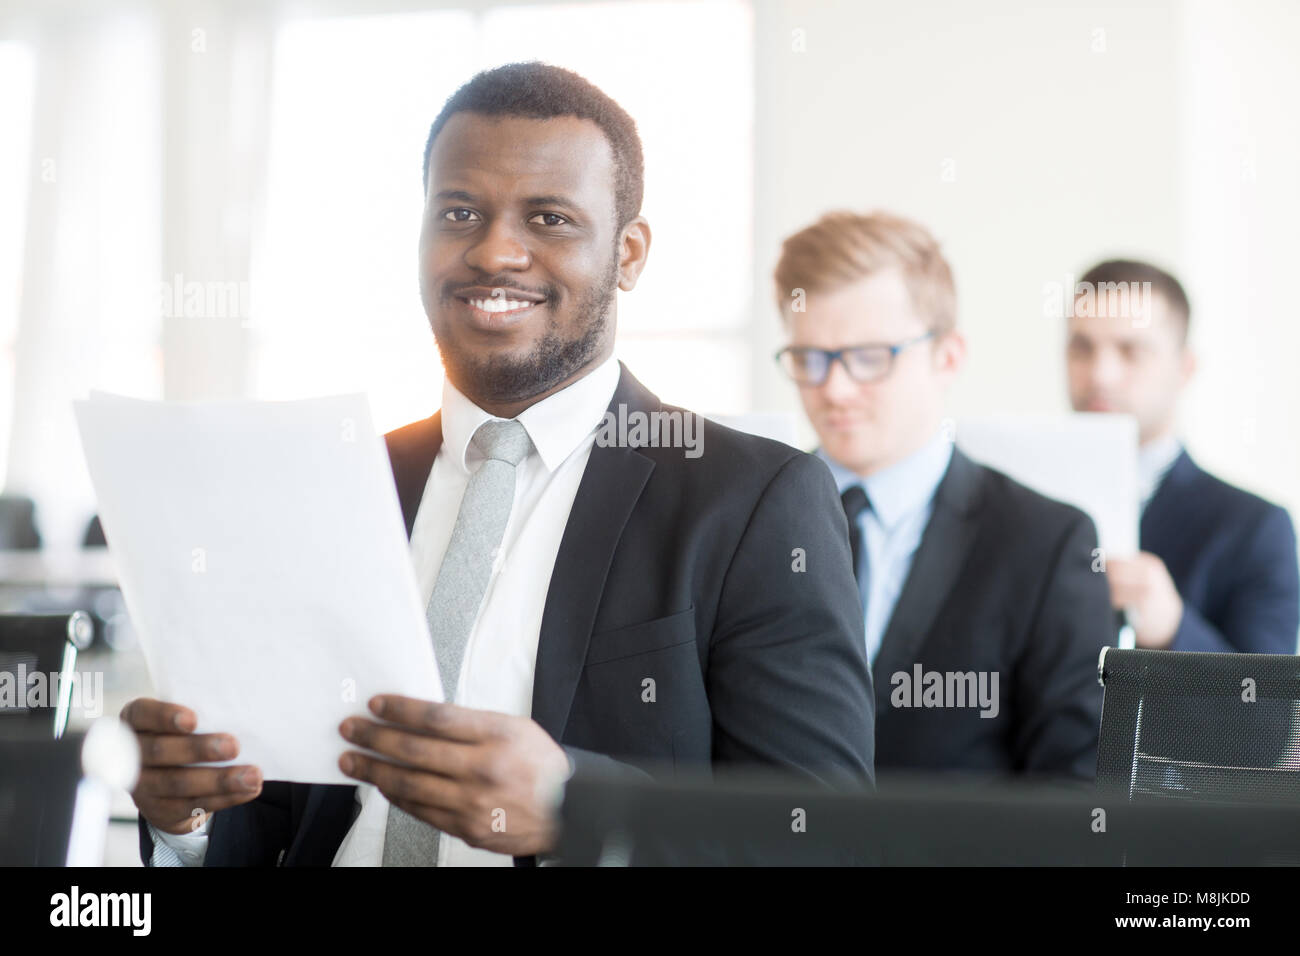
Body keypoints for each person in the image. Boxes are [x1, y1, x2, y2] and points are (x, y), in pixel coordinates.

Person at [121, 62, 875, 867]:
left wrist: (576, 812)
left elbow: (818, 834)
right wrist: (185, 818)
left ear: (628, 253)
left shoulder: (754, 500)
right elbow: (269, 821)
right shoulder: (336, 485)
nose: (495, 252)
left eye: (549, 218)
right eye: (459, 212)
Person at [773, 210, 1110, 779]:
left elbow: (1071, 788)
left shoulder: (1046, 543)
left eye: (869, 357)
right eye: (810, 359)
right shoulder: (746, 520)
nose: (833, 388)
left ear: (947, 357)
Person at [1065, 259, 1299, 654]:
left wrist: (1172, 628)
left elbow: (1268, 711)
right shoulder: (1011, 506)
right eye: (1083, 348)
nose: (1101, 374)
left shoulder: (1255, 529)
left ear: (1184, 369)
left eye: (1131, 350)